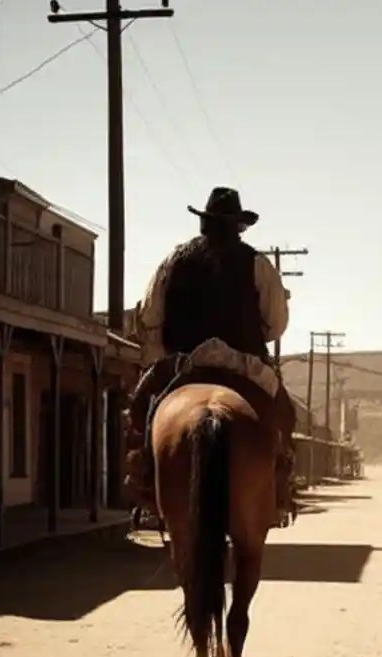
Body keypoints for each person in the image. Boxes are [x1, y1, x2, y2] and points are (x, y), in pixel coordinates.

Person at [122, 187, 298, 527]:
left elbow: (150, 317)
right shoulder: (258, 264)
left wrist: (161, 352)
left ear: (204, 223)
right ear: (239, 226)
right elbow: (276, 325)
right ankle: (280, 486)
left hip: (184, 361)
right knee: (284, 415)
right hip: (243, 363)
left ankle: (146, 479)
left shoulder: (174, 260)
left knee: (141, 408)